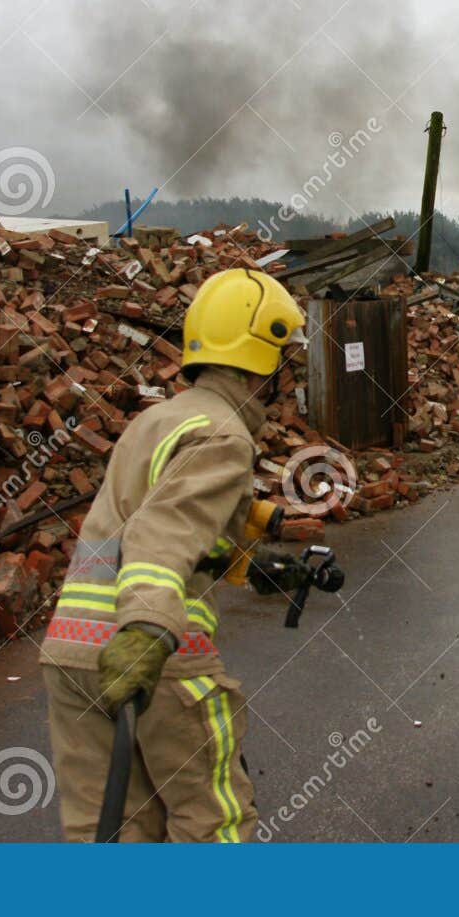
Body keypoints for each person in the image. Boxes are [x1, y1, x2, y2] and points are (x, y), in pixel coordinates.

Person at [40, 267, 324, 842]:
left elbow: (157, 518)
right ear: (264, 360)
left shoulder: (160, 420)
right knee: (212, 824)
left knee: (112, 834)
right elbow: (163, 532)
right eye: (285, 361)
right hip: (155, 657)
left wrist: (248, 560)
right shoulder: (224, 435)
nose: (287, 377)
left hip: (72, 656)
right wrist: (147, 628)